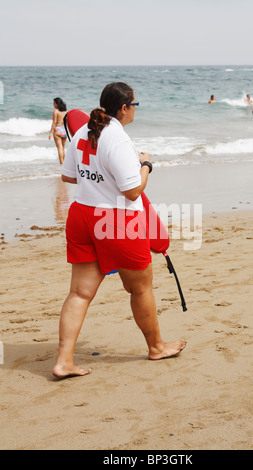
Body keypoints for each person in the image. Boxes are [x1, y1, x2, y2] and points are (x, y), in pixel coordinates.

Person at [52, 82, 186, 378]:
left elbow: (69, 177)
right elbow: (133, 191)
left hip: (81, 215)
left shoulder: (84, 134)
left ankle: (63, 361)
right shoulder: (119, 140)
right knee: (140, 287)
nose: (135, 110)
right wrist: (146, 164)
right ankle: (157, 347)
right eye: (134, 105)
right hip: (116, 222)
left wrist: (99, 179)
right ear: (124, 108)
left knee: (79, 293)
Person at [49, 97, 67, 164]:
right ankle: (65, 163)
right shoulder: (65, 111)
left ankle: (61, 164)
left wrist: (50, 133)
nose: (53, 104)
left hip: (58, 129)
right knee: (63, 147)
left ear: (57, 104)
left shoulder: (56, 111)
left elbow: (54, 122)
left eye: (54, 103)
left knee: (59, 148)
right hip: (64, 130)